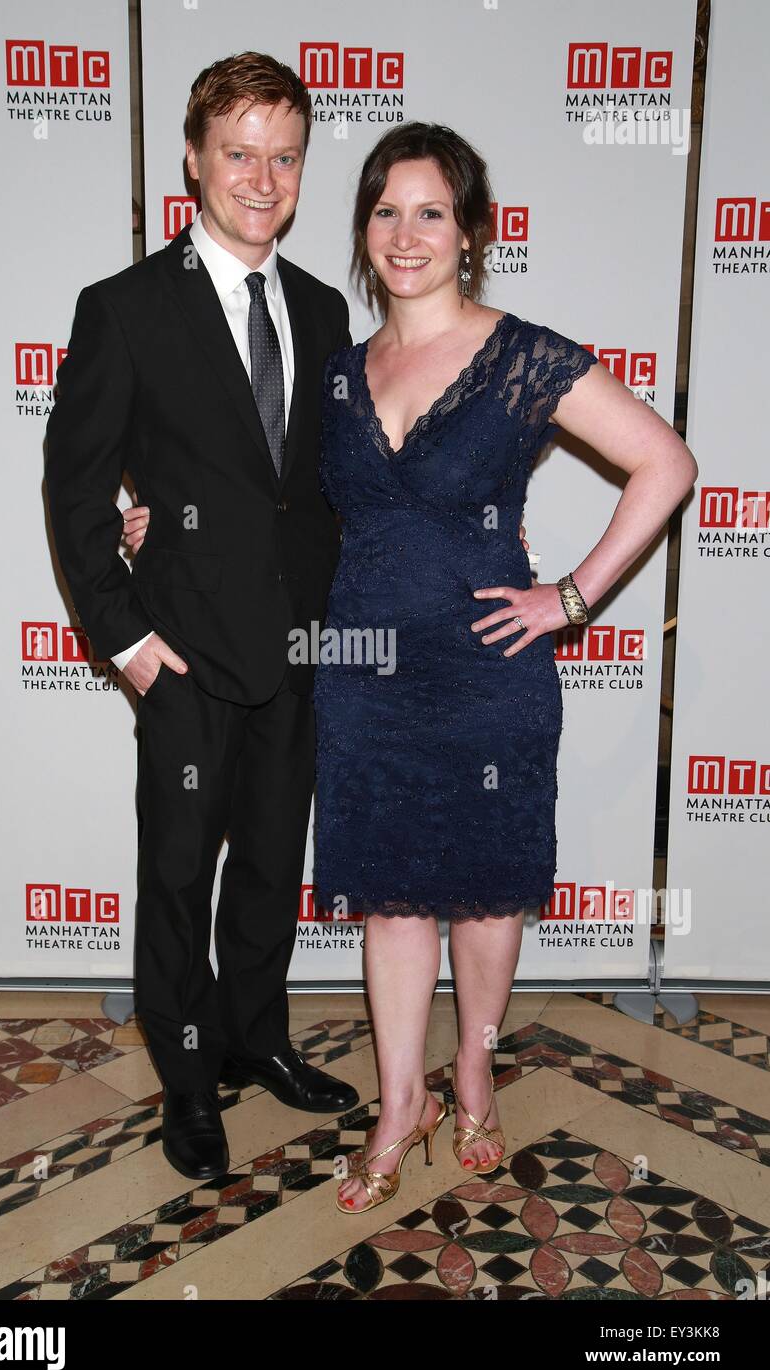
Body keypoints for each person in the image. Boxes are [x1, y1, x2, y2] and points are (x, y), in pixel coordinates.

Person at [311, 122, 698, 1214]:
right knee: (391, 902)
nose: (406, 234)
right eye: (385, 211)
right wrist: (160, 524)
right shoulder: (339, 373)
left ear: (471, 232)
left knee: (484, 900)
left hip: (486, 672)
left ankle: (474, 1077)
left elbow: (665, 462)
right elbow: (279, 509)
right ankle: (401, 1103)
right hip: (364, 674)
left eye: (431, 212)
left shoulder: (522, 355)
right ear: (364, 229)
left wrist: (571, 598)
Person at [44, 52, 361, 1183]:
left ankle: (256, 1037)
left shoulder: (323, 309)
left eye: (285, 157)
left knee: (272, 865)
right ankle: (186, 1079)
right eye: (240, 153)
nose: (263, 180)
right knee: (179, 881)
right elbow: (76, 490)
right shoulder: (125, 309)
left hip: (298, 648)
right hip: (181, 656)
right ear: (194, 158)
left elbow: (316, 486)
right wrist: (128, 644)